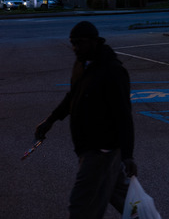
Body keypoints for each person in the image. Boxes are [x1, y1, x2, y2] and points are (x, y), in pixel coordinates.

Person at [34, 20, 136, 218]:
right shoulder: (82, 65)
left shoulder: (113, 71)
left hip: (101, 151)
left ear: (94, 42)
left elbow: (124, 115)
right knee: (124, 199)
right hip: (89, 147)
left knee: (82, 206)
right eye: (73, 43)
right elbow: (73, 97)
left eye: (79, 43)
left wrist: (128, 155)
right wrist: (51, 120)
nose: (74, 48)